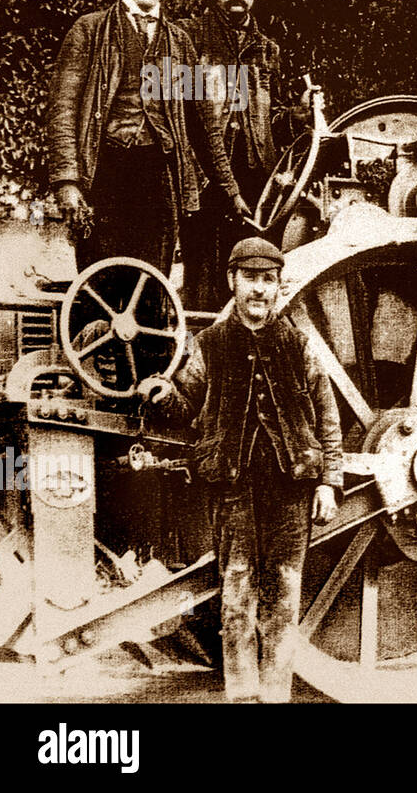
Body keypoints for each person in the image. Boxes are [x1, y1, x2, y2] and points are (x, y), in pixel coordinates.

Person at [139, 237, 342, 703]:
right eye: (250, 279)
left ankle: (275, 695)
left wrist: (329, 482)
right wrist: (163, 395)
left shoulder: (300, 346)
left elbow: (328, 421)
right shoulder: (208, 346)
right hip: (233, 493)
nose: (259, 290)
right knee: (236, 600)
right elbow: (188, 405)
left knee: (283, 600)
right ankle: (243, 697)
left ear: (277, 287)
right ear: (233, 281)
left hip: (292, 493)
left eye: (267, 281)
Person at [47, 0, 247, 274]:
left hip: (158, 183)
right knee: (98, 287)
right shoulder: (89, 31)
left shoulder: (180, 44)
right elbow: (62, 111)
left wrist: (231, 192)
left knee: (153, 289)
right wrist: (67, 182)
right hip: (104, 176)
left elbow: (204, 126)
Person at [179, 0, 284, 311]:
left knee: (250, 274)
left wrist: (296, 115)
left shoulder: (267, 49)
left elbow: (274, 121)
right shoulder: (187, 38)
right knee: (202, 276)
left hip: (256, 183)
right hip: (205, 179)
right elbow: (180, 115)